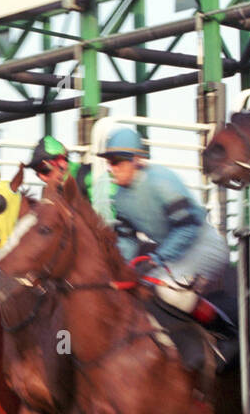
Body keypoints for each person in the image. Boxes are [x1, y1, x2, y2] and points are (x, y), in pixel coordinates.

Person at [97, 128, 233, 338]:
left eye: (117, 161)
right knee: (136, 291)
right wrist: (121, 270)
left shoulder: (161, 181)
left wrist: (156, 259)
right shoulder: (120, 199)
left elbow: (187, 227)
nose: (112, 168)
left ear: (136, 160)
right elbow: (127, 241)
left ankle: (227, 334)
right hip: (172, 254)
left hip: (204, 246)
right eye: (109, 162)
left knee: (167, 290)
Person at [25, 135, 92, 200]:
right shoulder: (53, 193)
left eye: (45, 169)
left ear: (63, 162)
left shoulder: (88, 178)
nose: (42, 178)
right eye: (37, 174)